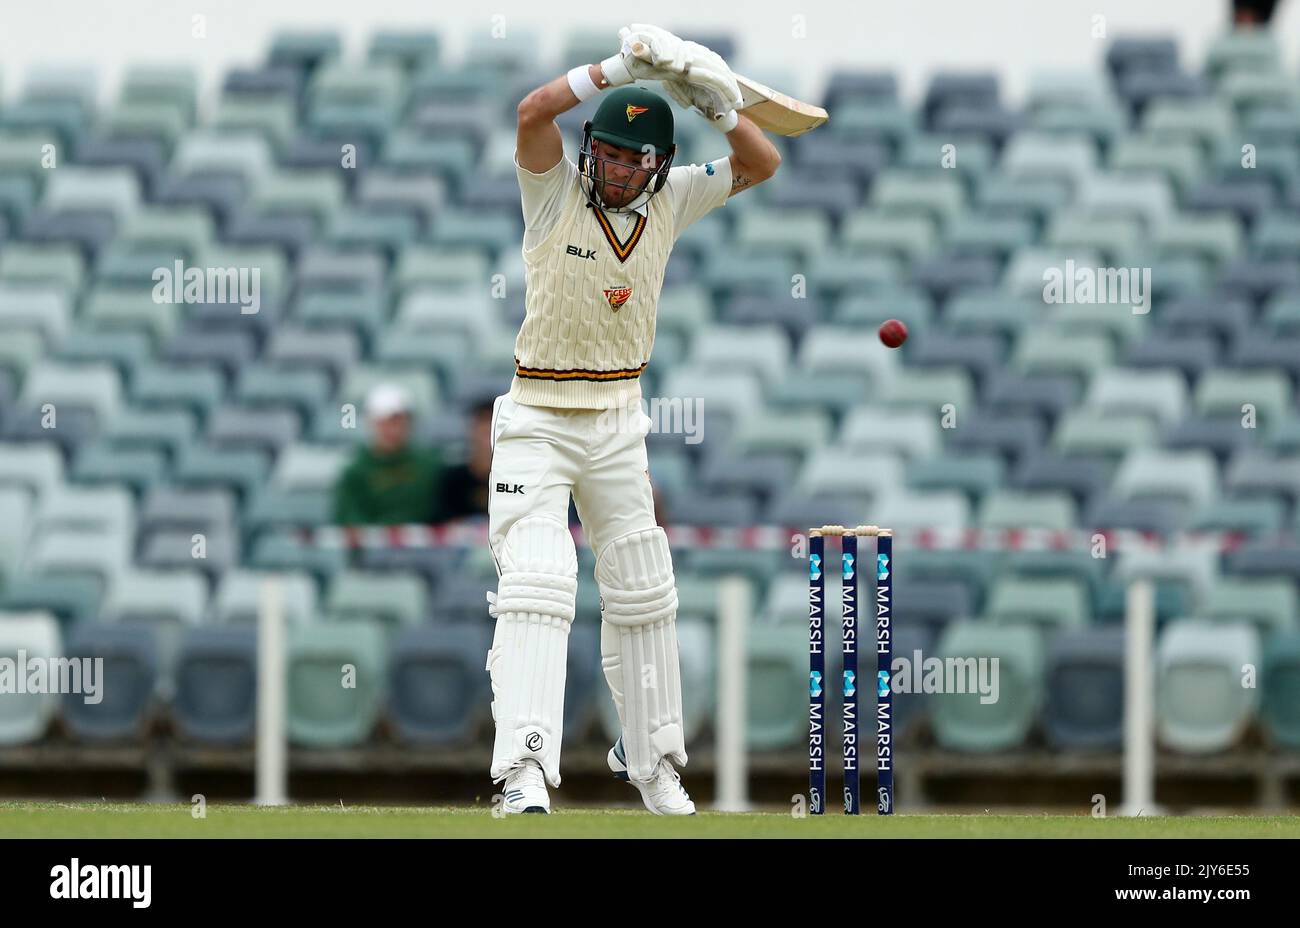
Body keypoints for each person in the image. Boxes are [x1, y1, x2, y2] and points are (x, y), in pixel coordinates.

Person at [486, 25, 780, 815]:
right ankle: (523, 768)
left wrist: (717, 103)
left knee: (644, 584)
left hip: (618, 419)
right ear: (592, 150)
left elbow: (764, 161)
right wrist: (620, 69)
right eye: (609, 153)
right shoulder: (552, 189)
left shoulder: (674, 198)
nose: (618, 169)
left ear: (657, 165)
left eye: (634, 159)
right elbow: (529, 111)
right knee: (542, 574)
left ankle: (650, 761)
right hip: (538, 418)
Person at [333, 384, 441, 525]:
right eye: (383, 423)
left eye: (396, 421)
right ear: (370, 423)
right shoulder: (354, 472)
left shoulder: (430, 466)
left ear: (409, 423)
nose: (391, 429)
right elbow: (348, 518)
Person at [434, 399, 494, 521]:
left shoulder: (518, 479)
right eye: (482, 423)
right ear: (471, 429)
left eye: (492, 423)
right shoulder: (453, 479)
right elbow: (443, 520)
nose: (486, 430)